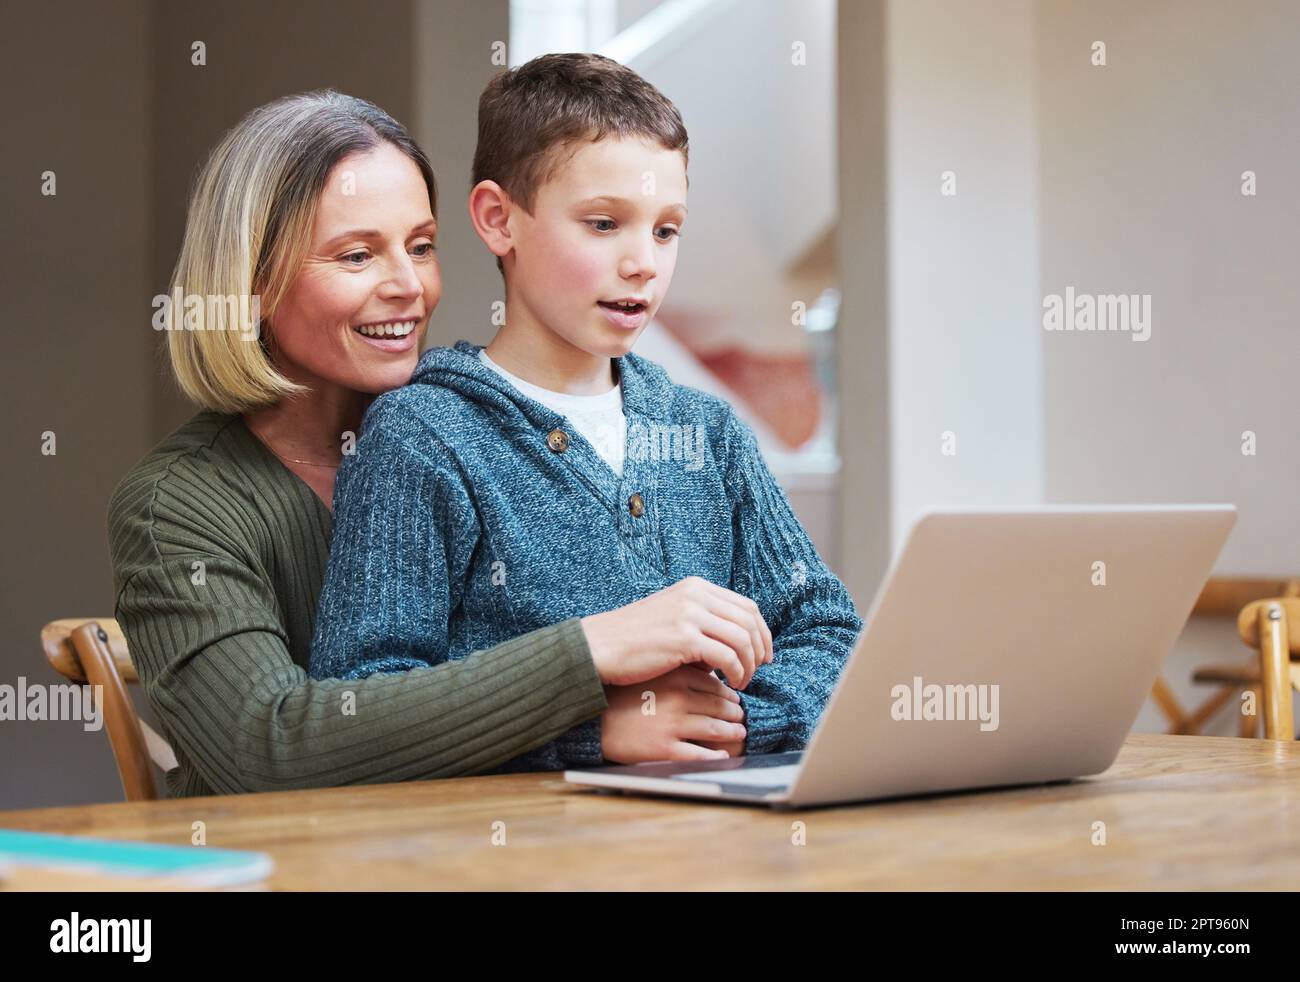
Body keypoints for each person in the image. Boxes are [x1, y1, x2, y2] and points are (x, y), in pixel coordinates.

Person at [108, 90, 763, 797]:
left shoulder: (468, 440)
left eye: (421, 246)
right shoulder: (174, 506)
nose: (408, 286)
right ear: (254, 284)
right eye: (357, 255)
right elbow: (269, 748)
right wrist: (592, 660)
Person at [309, 55, 862, 767]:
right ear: (498, 219)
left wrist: (736, 725)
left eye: (667, 231)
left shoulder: (707, 431)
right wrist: (586, 735)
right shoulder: (423, 436)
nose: (643, 263)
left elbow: (828, 632)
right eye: (604, 224)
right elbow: (362, 707)